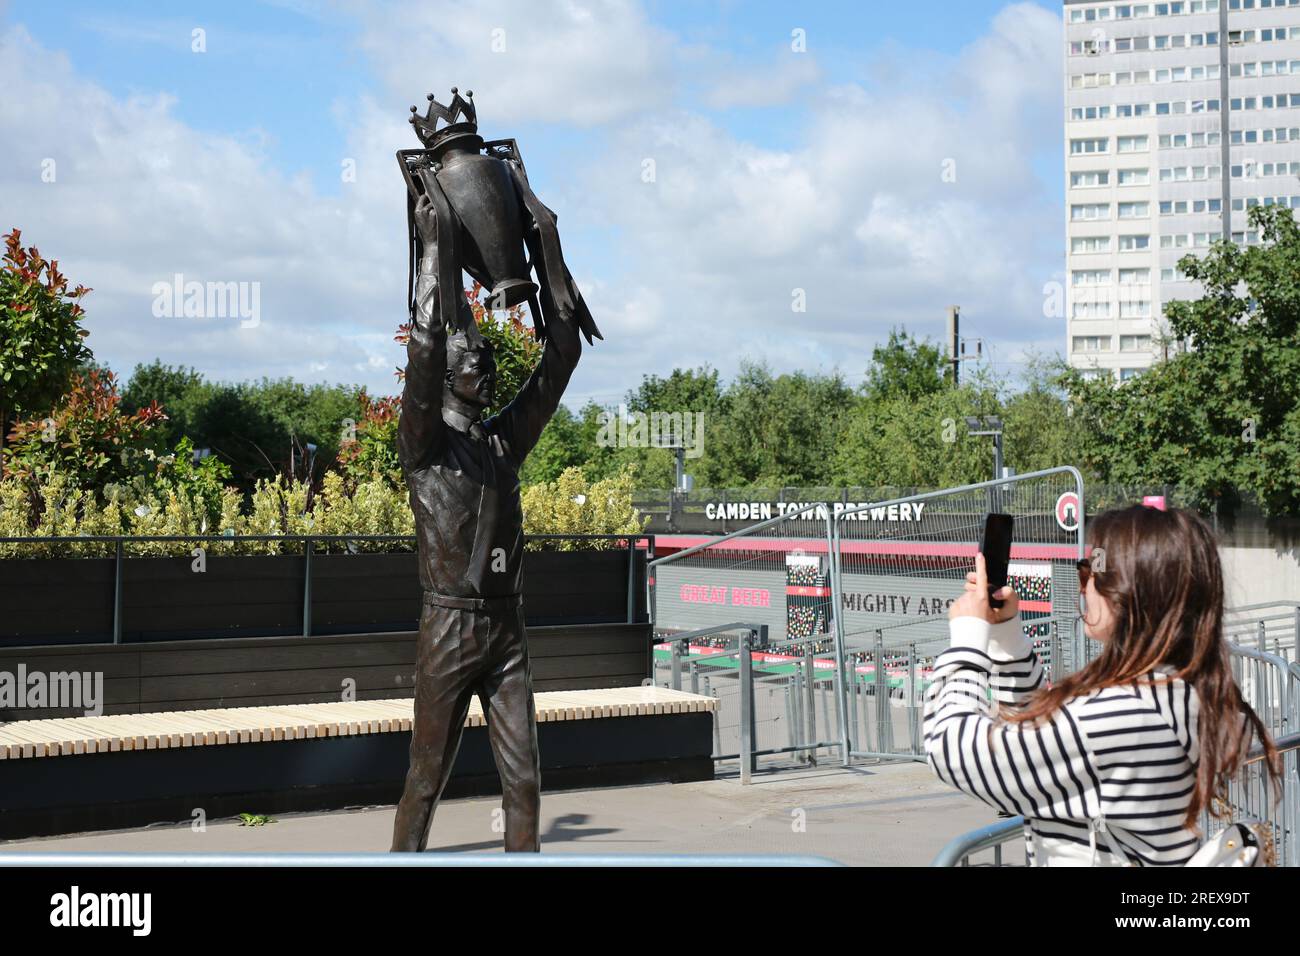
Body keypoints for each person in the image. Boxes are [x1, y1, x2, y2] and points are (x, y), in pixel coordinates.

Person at [390, 193, 587, 853]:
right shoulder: (424, 445)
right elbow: (423, 340)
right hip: (447, 627)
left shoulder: (503, 442)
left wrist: (545, 246)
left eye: (487, 357)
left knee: (524, 780)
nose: (483, 363)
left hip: (505, 627)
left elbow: (561, 355)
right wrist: (435, 248)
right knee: (426, 778)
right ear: (444, 374)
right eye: (469, 355)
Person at [923, 505, 1281, 866]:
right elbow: (1036, 733)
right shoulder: (1176, 690)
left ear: (1126, 591)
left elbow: (951, 747)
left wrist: (968, 641)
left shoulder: (1124, 712)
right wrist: (1005, 635)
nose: (1084, 588)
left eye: (1087, 574)